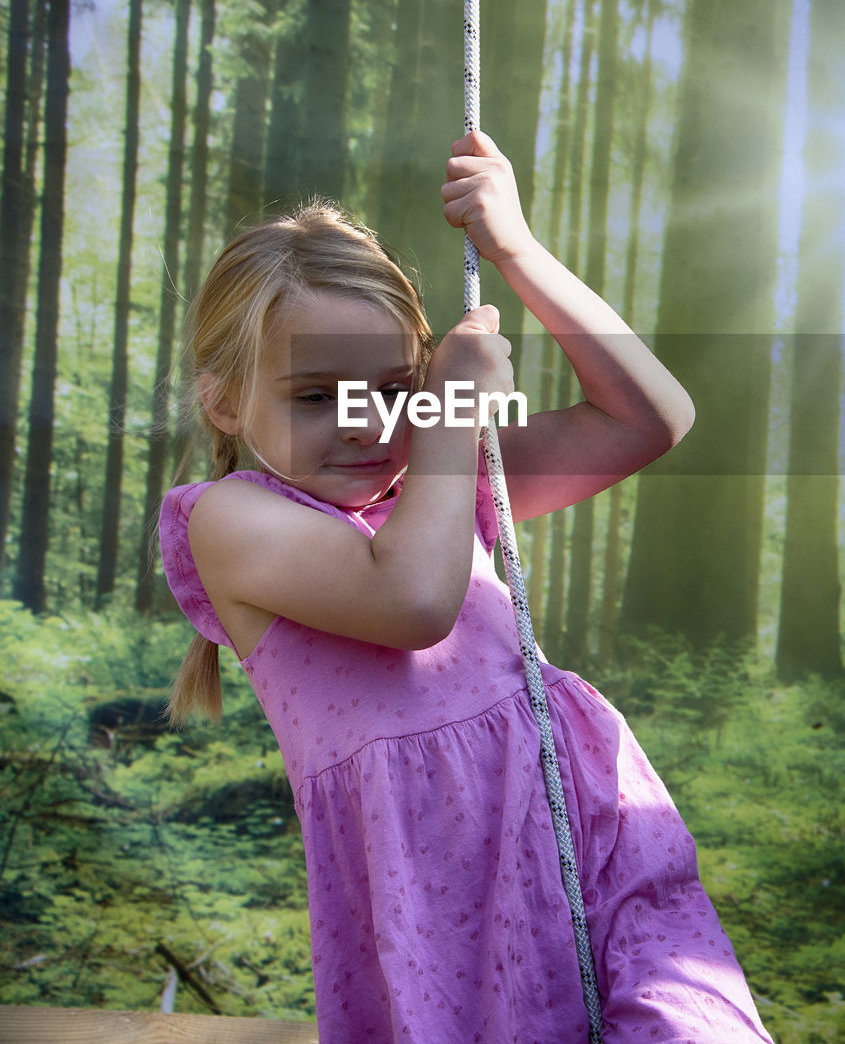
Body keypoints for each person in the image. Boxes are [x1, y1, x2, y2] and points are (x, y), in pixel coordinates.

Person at [159, 131, 773, 1043]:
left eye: (393, 387)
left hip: (589, 828)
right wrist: (449, 414)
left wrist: (517, 251)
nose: (366, 425)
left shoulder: (436, 482)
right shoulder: (229, 520)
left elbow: (648, 420)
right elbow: (411, 601)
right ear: (223, 402)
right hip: (438, 895)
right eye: (316, 395)